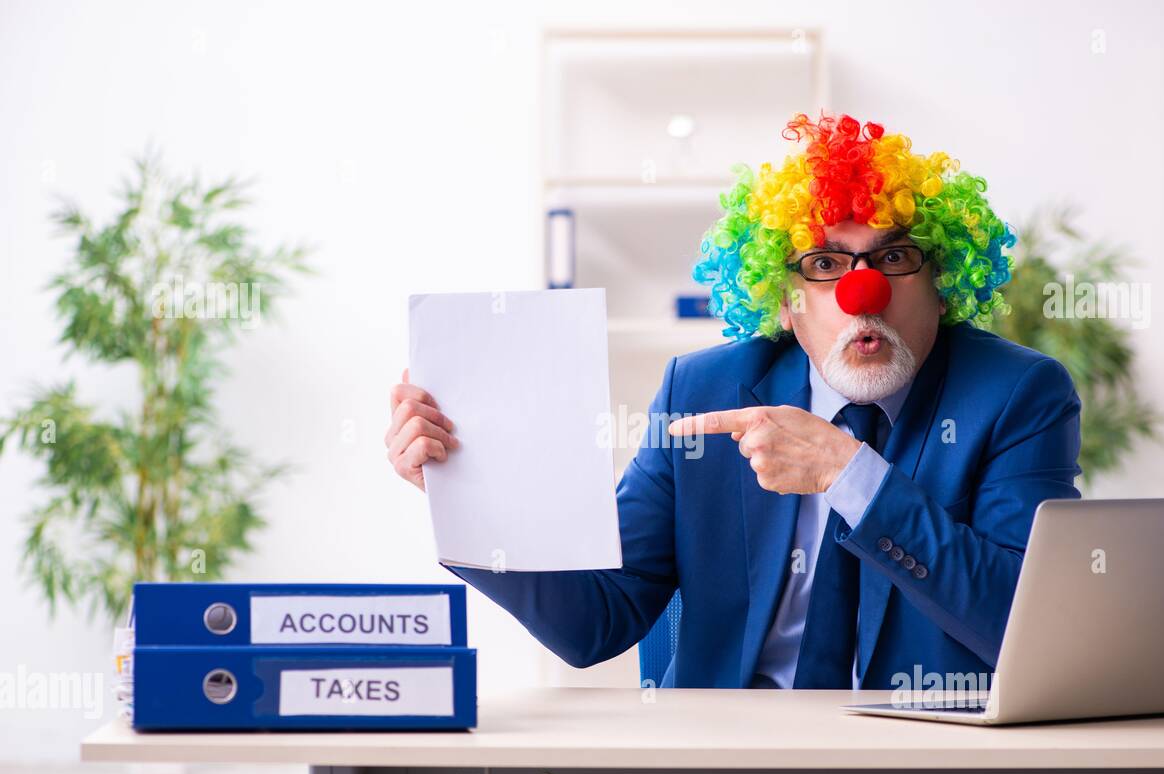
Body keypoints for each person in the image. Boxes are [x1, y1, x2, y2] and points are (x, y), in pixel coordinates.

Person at [384, 111, 1082, 690]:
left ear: (942, 278)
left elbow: (1027, 623)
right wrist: (469, 497)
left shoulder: (1018, 394)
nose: (860, 294)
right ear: (783, 300)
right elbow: (595, 620)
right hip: (724, 758)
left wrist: (853, 476)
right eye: (825, 264)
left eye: (894, 258)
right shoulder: (703, 391)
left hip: (925, 764)